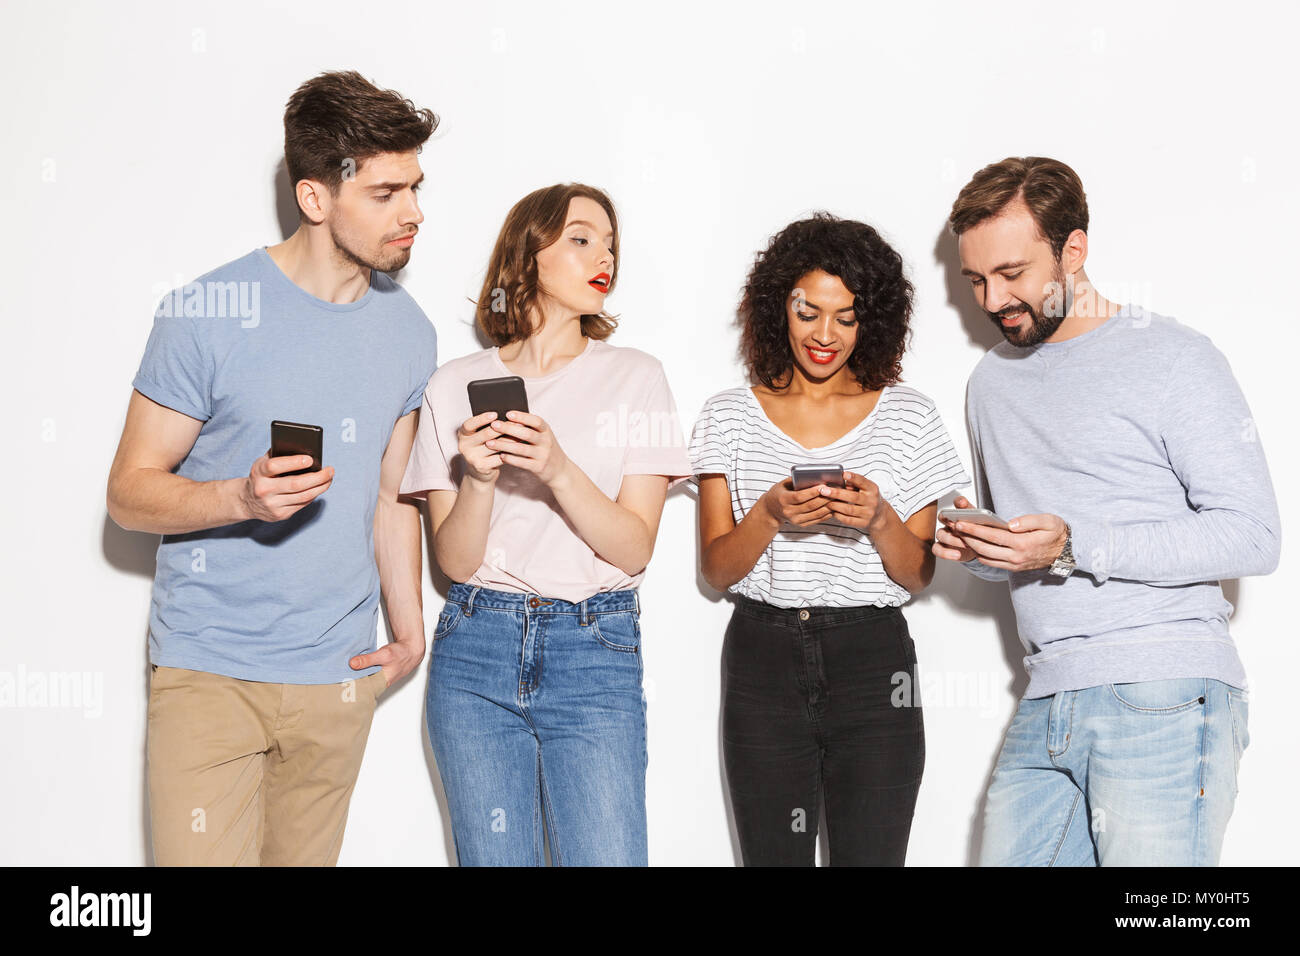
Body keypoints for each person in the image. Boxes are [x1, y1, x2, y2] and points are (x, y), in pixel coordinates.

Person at [105, 70, 439, 866]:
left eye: (418, 187)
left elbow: (390, 494)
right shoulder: (204, 313)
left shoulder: (410, 332)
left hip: (338, 678)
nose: (415, 212)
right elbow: (126, 495)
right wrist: (239, 497)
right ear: (316, 198)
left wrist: (410, 625)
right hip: (210, 673)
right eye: (388, 192)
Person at [934, 156, 1281, 866]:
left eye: (1013, 273)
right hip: (1048, 697)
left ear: (1074, 250)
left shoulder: (1174, 357)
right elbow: (1034, 552)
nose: (994, 298)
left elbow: (1254, 535)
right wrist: (986, 549)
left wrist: (1073, 545)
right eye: (976, 280)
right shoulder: (990, 384)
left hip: (1163, 691)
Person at [399, 183, 692, 866]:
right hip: (476, 646)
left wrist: (558, 467)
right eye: (583, 239)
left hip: (595, 646)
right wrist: (477, 478)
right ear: (529, 254)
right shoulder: (452, 386)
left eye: (611, 245)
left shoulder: (637, 377)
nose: (605, 258)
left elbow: (633, 546)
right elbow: (457, 564)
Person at [689, 213, 970, 865]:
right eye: (808, 312)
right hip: (763, 656)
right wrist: (768, 515)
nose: (825, 335)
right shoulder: (728, 415)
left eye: (846, 317)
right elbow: (716, 571)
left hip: (873, 660)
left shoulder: (910, 415)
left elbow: (918, 575)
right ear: (776, 308)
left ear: (871, 319)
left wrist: (878, 520)